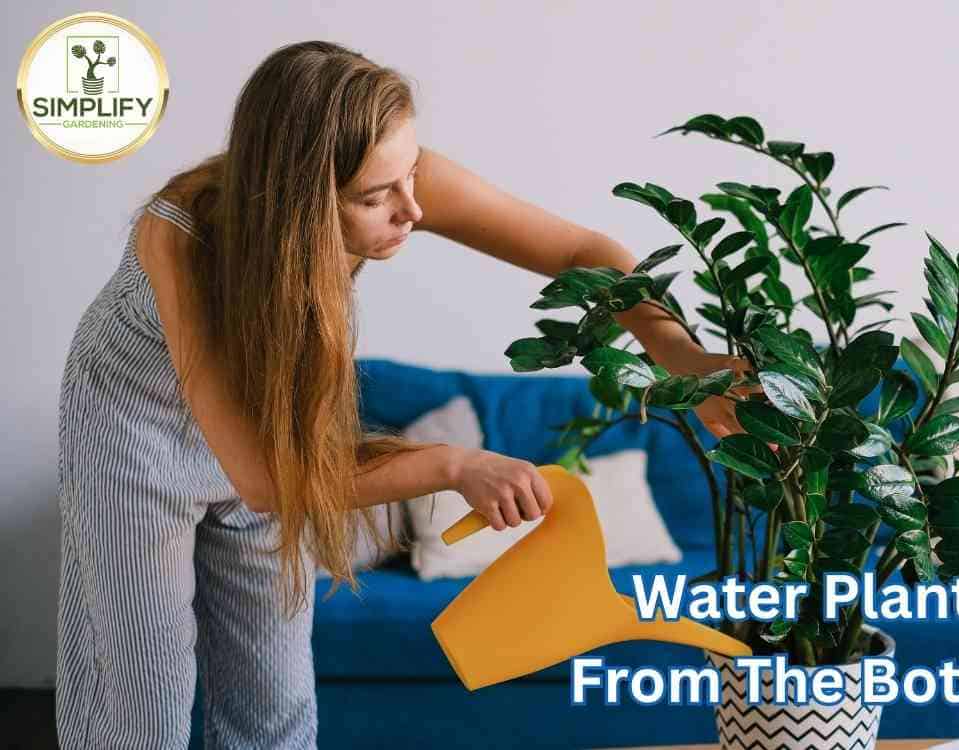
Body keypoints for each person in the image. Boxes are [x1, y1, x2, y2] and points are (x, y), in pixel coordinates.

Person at [54, 40, 746, 748]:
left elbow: (580, 254)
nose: (412, 208)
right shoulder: (177, 236)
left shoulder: (394, 177)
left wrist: (684, 358)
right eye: (374, 196)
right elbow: (264, 482)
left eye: (411, 173)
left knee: (275, 698)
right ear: (296, 206)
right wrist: (454, 464)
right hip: (135, 426)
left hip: (265, 428)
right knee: (144, 699)